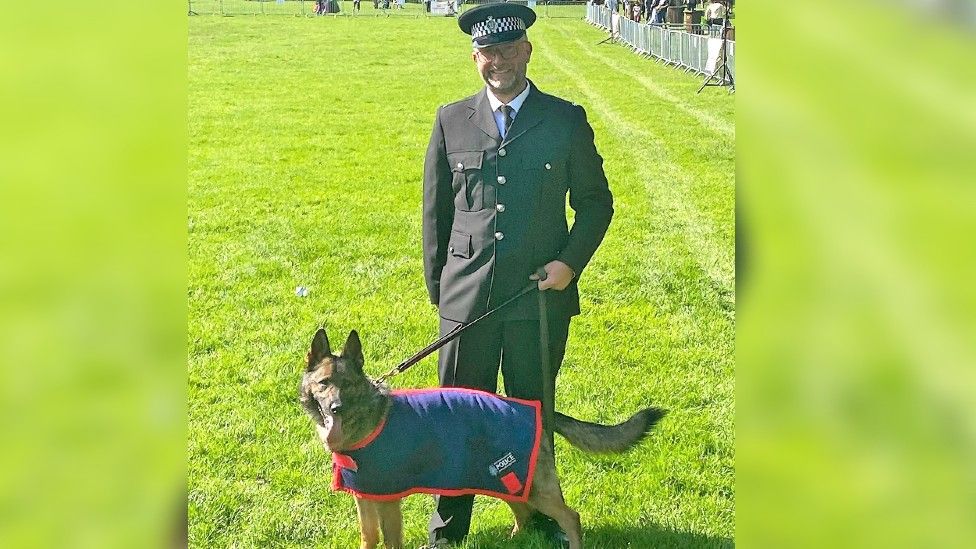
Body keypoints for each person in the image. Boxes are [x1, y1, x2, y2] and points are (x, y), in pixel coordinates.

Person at [421, 3, 614, 547]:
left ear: (528, 49)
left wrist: (569, 264)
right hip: (467, 304)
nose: (498, 61)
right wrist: (445, 296)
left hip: (537, 300)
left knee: (529, 414)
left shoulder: (564, 120)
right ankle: (448, 527)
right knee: (457, 413)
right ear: (474, 57)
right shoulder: (450, 120)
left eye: (508, 48)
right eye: (487, 52)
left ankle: (544, 517)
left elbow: (597, 204)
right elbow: (435, 219)